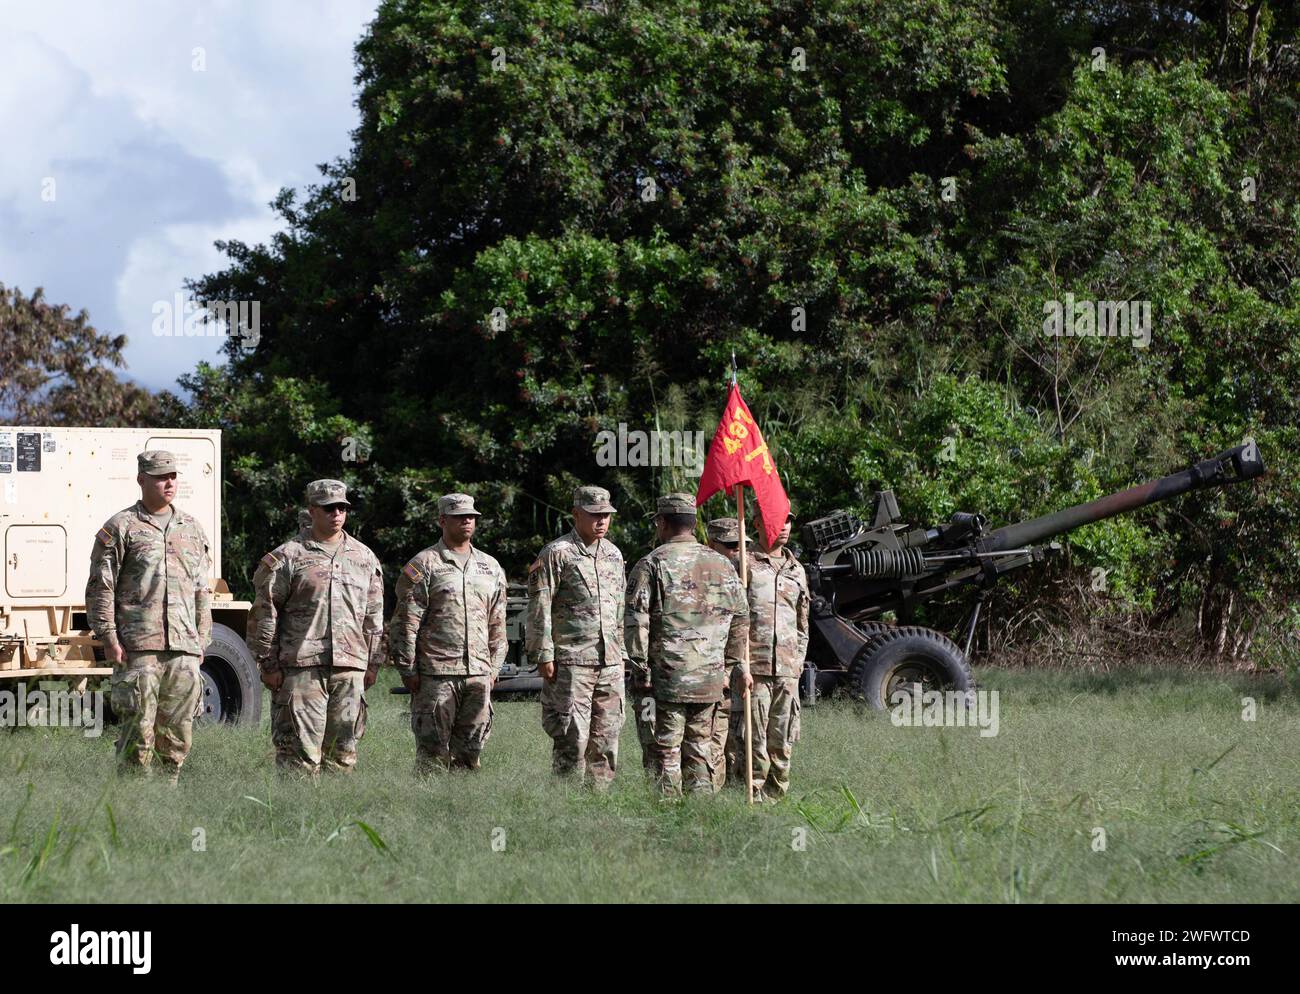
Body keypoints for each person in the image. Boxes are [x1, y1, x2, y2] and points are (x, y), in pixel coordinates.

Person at [86, 450, 212, 783]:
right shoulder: (121, 527)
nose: (168, 482)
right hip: (137, 647)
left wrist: (202, 639)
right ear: (142, 479)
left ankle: (166, 799)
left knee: (177, 735)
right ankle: (133, 802)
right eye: (160, 476)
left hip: (183, 647)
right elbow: (101, 587)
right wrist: (109, 637)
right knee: (137, 734)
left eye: (173, 476)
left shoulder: (192, 529)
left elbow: (202, 591)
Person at [246, 480, 385, 775]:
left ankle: (336, 818)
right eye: (328, 508)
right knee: (299, 758)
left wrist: (372, 663)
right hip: (301, 670)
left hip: (349, 670)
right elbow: (264, 612)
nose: (337, 513)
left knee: (343, 756)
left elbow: (373, 616)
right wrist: (268, 663)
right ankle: (297, 818)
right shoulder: (287, 557)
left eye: (342, 508)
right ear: (312, 510)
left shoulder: (364, 558)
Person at [626, 494, 749, 796]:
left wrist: (640, 669)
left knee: (664, 751)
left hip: (663, 681)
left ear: (662, 523)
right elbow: (741, 619)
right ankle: (700, 816)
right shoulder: (723, 564)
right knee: (700, 749)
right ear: (694, 524)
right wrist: (728, 667)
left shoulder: (652, 564)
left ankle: (667, 819)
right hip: (709, 679)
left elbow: (635, 621)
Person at [389, 493, 507, 772]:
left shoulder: (490, 566)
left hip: (478, 673)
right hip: (436, 674)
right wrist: (408, 670)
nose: (467, 520)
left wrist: (493, 668)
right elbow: (406, 621)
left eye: (471, 516)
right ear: (443, 520)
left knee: (470, 754)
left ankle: (464, 809)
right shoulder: (424, 564)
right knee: (432, 755)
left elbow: (497, 623)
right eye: (459, 516)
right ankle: (429, 808)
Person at [527, 486, 628, 786]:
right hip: (572, 660)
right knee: (572, 734)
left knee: (607, 734)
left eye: (606, 516)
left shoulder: (613, 554)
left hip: (610, 661)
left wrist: (622, 653)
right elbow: (540, 606)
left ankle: (598, 797)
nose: (601, 521)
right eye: (594, 515)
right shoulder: (556, 553)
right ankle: (567, 798)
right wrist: (544, 654)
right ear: (576, 514)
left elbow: (620, 607)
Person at [739, 506, 810, 798]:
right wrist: (740, 665)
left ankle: (777, 797)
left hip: (786, 671)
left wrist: (798, 663)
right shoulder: (745, 564)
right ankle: (753, 796)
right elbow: (735, 619)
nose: (783, 527)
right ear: (756, 523)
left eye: (788, 521)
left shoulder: (797, 569)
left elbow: (803, 623)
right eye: (775, 520)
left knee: (783, 740)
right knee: (754, 740)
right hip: (754, 669)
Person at [706, 516, 747, 791]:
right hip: (711, 670)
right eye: (731, 546)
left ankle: (740, 790)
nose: (738, 552)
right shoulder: (701, 576)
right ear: (712, 544)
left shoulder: (751, 572)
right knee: (713, 737)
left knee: (743, 735)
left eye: (741, 545)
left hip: (743, 668)